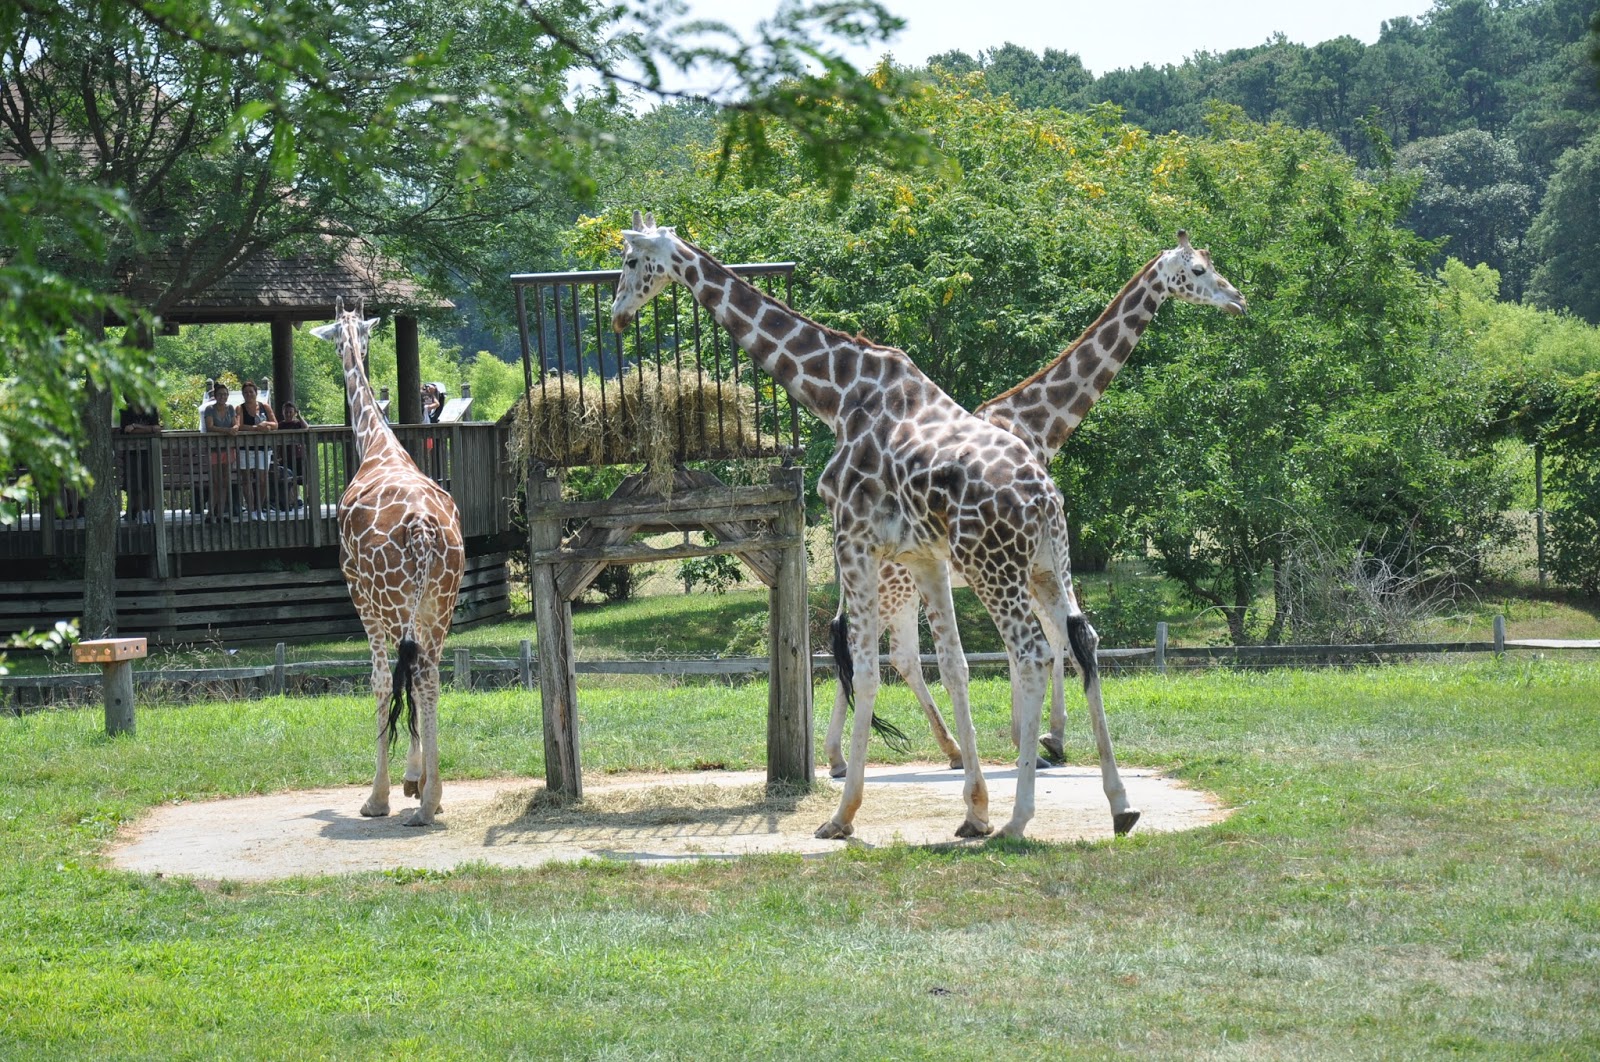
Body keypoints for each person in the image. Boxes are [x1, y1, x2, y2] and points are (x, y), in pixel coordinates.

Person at [115, 402, 162, 522]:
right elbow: (127, 430)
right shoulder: (125, 411)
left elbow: (157, 429)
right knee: (134, 484)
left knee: (148, 483)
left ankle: (149, 512)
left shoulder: (151, 409)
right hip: (131, 453)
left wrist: (136, 426)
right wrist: (149, 429)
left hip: (149, 452)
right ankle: (137, 512)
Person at [236, 379, 276, 516]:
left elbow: (275, 424)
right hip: (245, 448)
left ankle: (259, 507)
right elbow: (239, 426)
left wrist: (266, 425)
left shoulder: (265, 406)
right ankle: (251, 508)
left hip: (263, 448)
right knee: (246, 479)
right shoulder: (240, 408)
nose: (248, 394)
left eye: (251, 392)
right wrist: (255, 428)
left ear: (256, 392)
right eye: (246, 392)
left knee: (262, 479)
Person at [200, 381, 238, 521]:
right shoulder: (209, 409)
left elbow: (235, 423)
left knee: (225, 482)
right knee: (216, 482)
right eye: (220, 394)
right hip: (214, 450)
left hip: (228, 449)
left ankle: (221, 513)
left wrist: (235, 428)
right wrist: (227, 431)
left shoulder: (231, 408)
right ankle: (211, 512)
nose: (223, 397)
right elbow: (210, 427)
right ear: (215, 396)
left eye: (225, 394)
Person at [275, 400, 310, 511]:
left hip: (299, 455)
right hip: (285, 456)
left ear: (294, 412)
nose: (288, 414)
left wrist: (299, 416)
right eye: (286, 412)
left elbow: (306, 428)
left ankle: (307, 498)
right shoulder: (280, 425)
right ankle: (294, 499)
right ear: (283, 412)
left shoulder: (297, 423)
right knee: (290, 479)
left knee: (304, 478)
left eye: (291, 412)